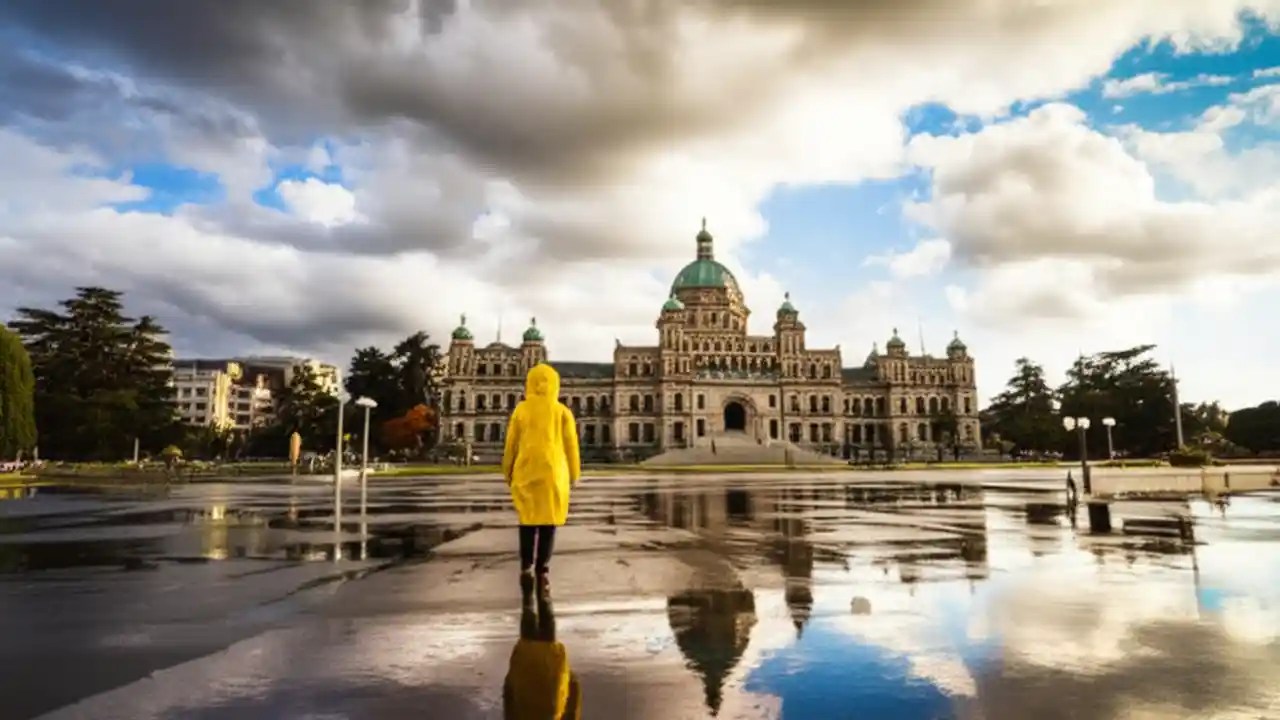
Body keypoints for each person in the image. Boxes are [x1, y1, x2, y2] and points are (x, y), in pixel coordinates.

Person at [502, 363, 581, 596]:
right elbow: (571, 446)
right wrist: (574, 474)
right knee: (548, 524)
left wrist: (507, 471)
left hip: (525, 472)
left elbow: (511, 445)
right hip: (554, 475)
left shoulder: (521, 410)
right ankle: (543, 570)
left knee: (527, 523)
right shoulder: (562, 412)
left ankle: (526, 566)